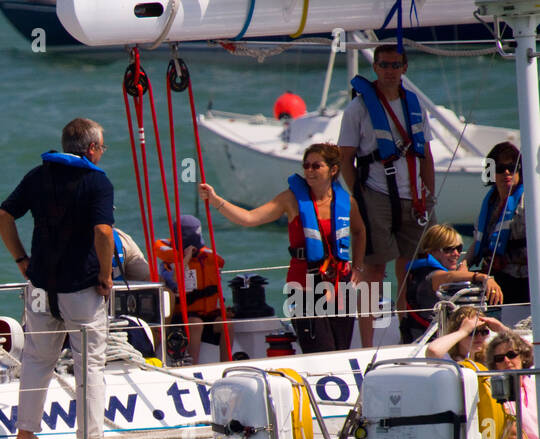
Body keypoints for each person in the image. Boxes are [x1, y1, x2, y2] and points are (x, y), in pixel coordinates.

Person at [0, 117, 114, 439]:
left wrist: (21, 259)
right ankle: (92, 437)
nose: (102, 153)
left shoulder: (38, 175)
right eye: (102, 148)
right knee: (89, 362)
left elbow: (3, 216)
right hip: (80, 289)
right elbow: (103, 232)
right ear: (92, 149)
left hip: (40, 285)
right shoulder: (96, 182)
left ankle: (25, 432)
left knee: (37, 358)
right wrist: (105, 275)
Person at [201, 143, 367, 353]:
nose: (309, 170)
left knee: (340, 351)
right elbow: (249, 218)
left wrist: (358, 267)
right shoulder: (291, 200)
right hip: (303, 285)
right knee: (319, 350)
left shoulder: (347, 202)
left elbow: (360, 232)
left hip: (339, 285)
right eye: (306, 165)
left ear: (333, 170)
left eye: (316, 166)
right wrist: (216, 201)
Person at [338, 44, 437, 345]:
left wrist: (429, 193)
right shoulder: (358, 109)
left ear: (404, 67)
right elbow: (345, 158)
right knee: (374, 268)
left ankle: (409, 328)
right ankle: (367, 343)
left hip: (415, 199)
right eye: (384, 65)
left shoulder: (415, 104)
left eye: (395, 65)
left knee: (415, 264)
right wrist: (359, 198)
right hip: (376, 195)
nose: (390, 71)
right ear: (375, 68)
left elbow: (426, 156)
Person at [425, 306, 509, 439]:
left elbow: (526, 354)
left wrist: (501, 329)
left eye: (484, 332)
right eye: (473, 332)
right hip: (460, 434)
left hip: (489, 432)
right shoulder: (448, 360)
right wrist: (463, 331)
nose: (479, 337)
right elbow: (433, 351)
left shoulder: (491, 359)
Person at [405, 223, 503, 342]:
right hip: (427, 343)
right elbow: (448, 276)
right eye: (448, 249)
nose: (456, 253)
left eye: (459, 248)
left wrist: (462, 273)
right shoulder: (431, 275)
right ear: (431, 251)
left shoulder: (418, 272)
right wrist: (484, 277)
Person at [153, 214, 226, 363]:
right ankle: (193, 363)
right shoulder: (169, 262)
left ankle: (227, 362)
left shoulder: (206, 259)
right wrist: (184, 259)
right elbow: (175, 281)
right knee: (196, 324)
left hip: (206, 312)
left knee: (227, 324)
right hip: (181, 312)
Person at [470, 140, 527, 308]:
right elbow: (478, 240)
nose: (507, 172)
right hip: (497, 276)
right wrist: (463, 266)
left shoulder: (530, 201)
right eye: (500, 169)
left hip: (527, 277)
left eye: (512, 167)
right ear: (491, 172)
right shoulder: (490, 204)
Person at [485, 330, 540, 439]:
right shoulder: (495, 392)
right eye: (499, 358)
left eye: (511, 355)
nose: (507, 361)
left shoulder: (534, 386)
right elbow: (513, 434)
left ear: (523, 357)